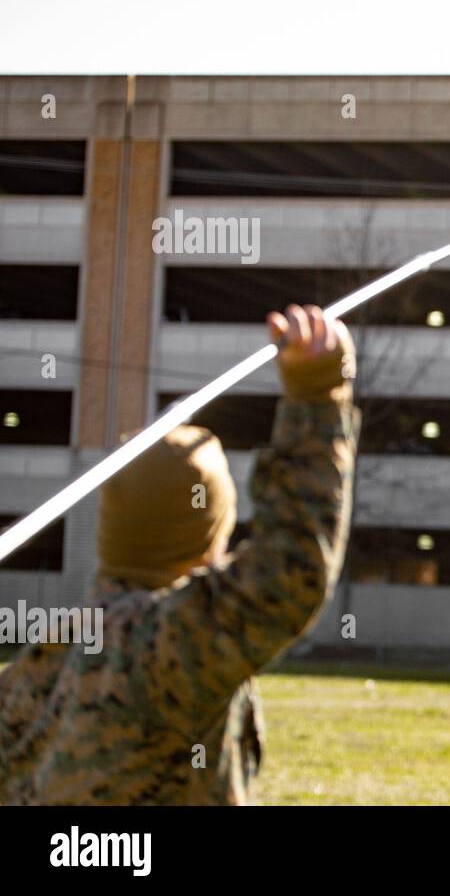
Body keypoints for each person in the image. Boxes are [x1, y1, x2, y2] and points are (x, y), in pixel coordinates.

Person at [0, 304, 359, 804]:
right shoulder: (165, 644)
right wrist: (318, 392)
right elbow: (288, 571)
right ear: (207, 533)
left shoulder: (47, 658)